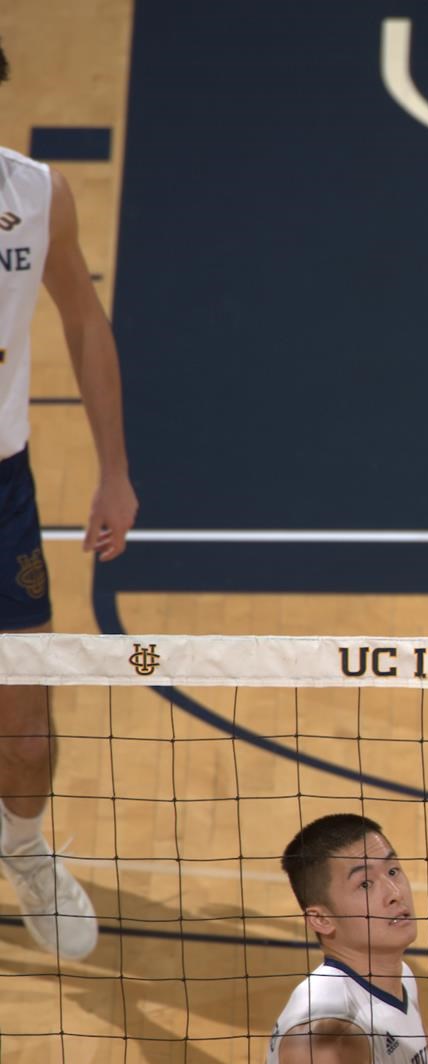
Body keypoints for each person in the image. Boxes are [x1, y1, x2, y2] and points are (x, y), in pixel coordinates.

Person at [0, 37, 138, 960]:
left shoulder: (38, 194)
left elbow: (84, 321)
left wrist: (114, 469)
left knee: (24, 719)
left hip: (2, 487)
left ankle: (22, 849)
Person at [266, 815, 428, 1064]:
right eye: (365, 884)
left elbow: (424, 1051)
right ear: (321, 919)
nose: (394, 893)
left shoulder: (398, 975)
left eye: (392, 871)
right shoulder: (328, 1035)